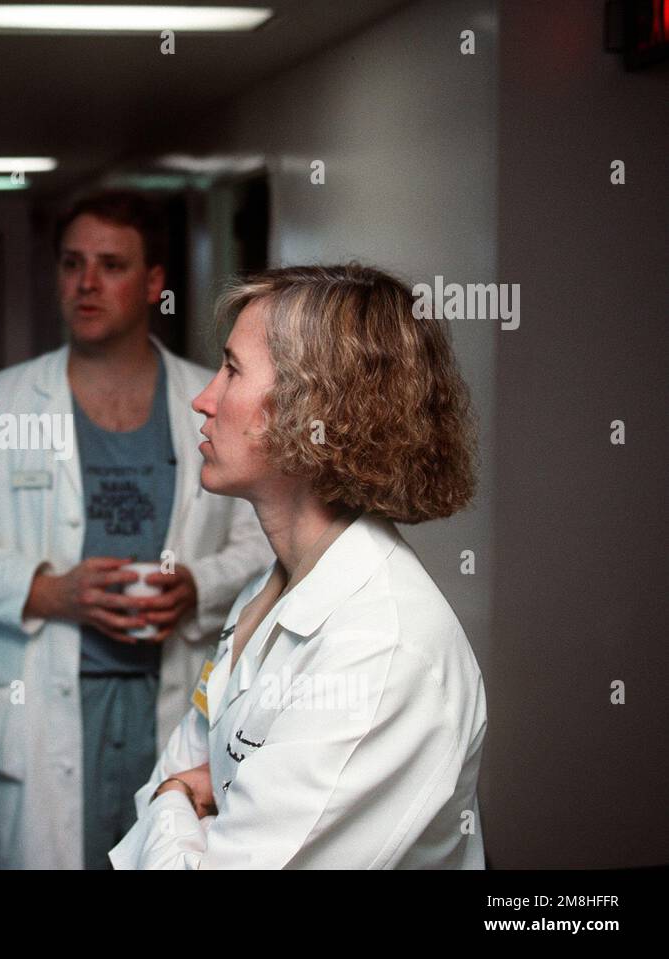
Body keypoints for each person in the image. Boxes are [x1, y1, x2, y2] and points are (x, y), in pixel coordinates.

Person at [0, 190, 272, 869]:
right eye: (73, 263)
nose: (87, 283)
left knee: (167, 847)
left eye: (112, 264)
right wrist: (47, 591)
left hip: (171, 690)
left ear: (155, 282)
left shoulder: (210, 402)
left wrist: (198, 584)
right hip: (42, 695)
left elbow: (263, 539)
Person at [109, 263, 488, 869]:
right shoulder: (273, 589)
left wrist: (175, 798)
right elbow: (184, 757)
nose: (203, 399)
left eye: (232, 370)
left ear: (316, 412)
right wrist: (180, 792)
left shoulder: (380, 652)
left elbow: (176, 785)